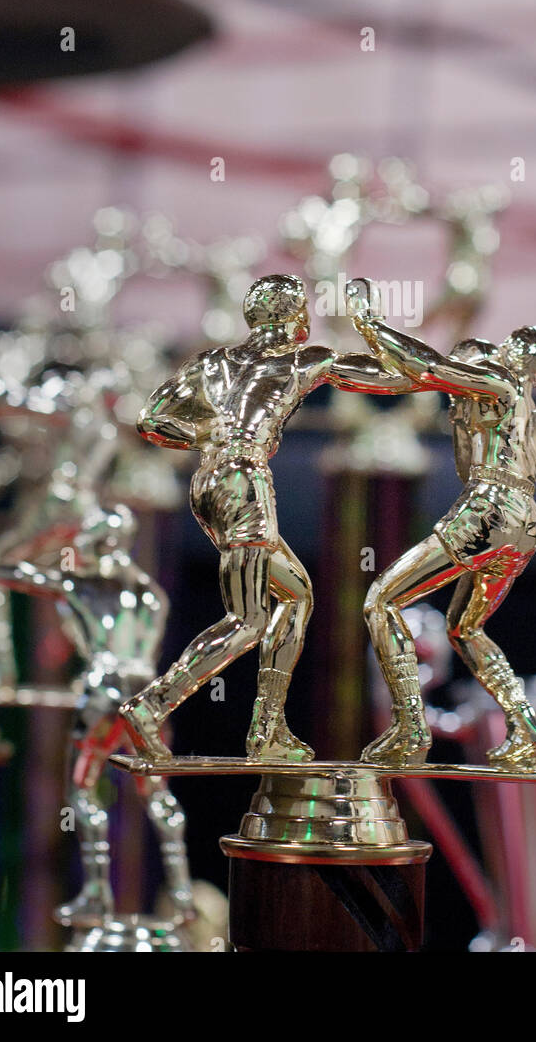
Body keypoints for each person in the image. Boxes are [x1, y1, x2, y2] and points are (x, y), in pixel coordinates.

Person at [120, 273, 416, 764]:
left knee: (296, 596)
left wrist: (213, 437)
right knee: (247, 619)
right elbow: (400, 378)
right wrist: (369, 323)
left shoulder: (213, 362)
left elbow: (152, 420)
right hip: (244, 484)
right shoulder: (306, 358)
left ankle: (267, 729)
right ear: (297, 317)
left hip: (208, 484)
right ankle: (153, 704)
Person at [0, 504, 193, 924]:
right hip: (149, 692)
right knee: (157, 792)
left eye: (88, 536)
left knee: (84, 789)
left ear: (103, 540)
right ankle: (182, 894)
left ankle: (96, 893)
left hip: (104, 689)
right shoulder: (151, 593)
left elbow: (23, 578)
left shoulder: (87, 583)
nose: (80, 544)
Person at [346, 276, 536, 772]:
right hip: (524, 525)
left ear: (517, 359)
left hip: (488, 510)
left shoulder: (501, 386)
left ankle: (409, 727)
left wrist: (369, 325)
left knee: (382, 600)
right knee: (465, 628)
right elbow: (431, 382)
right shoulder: (535, 417)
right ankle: (524, 724)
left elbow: (428, 368)